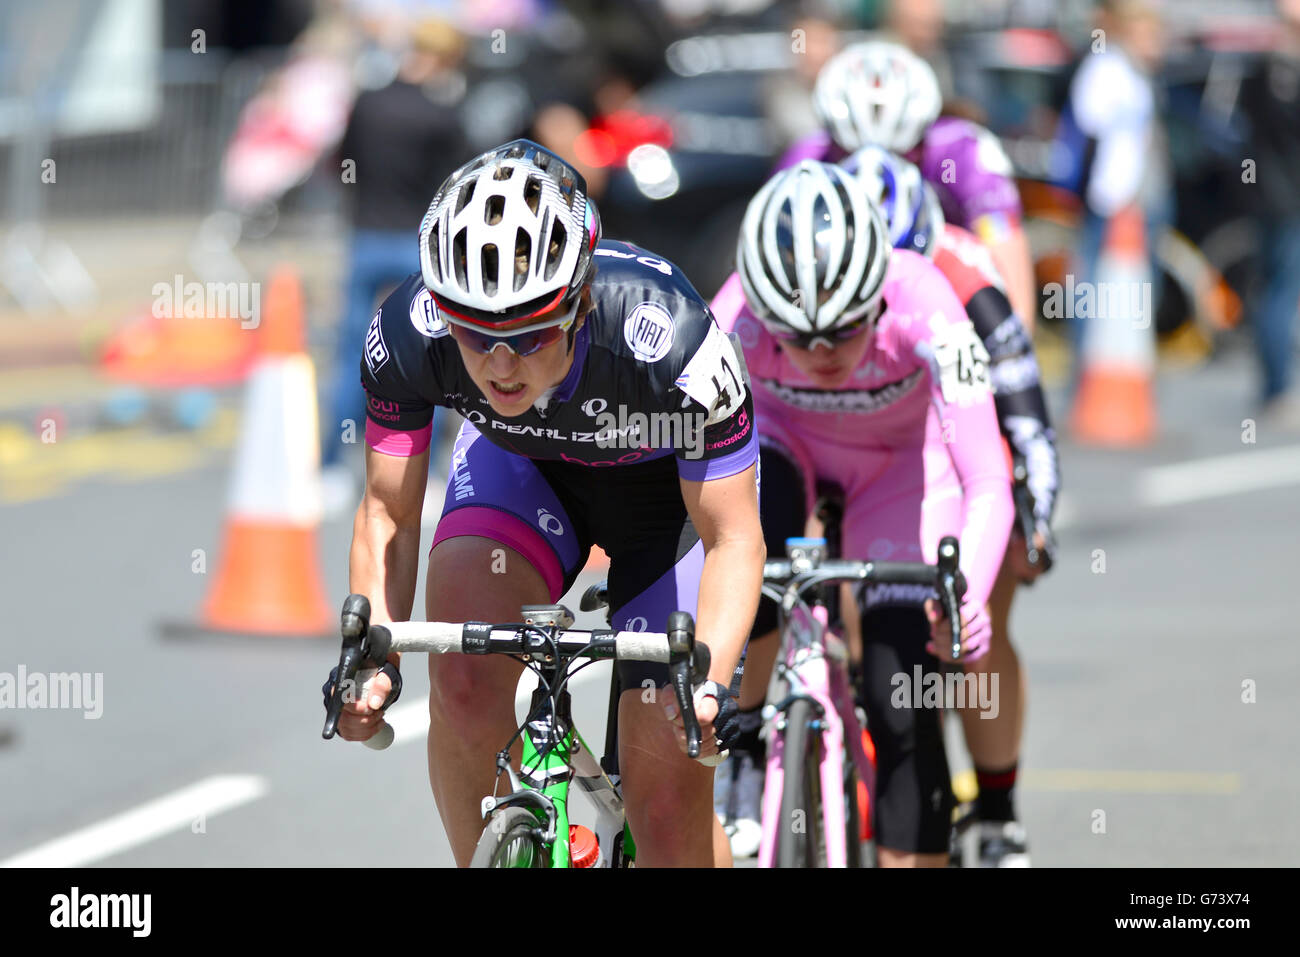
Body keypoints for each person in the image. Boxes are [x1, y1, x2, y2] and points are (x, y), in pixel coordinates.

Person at [327, 140, 765, 867]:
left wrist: (710, 687)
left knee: (663, 791)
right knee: (462, 681)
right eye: (476, 334)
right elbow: (387, 514)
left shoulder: (672, 340)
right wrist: (371, 655)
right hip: (526, 476)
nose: (501, 365)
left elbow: (733, 540)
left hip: (669, 511)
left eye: (530, 334)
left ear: (579, 302)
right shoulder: (407, 331)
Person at [710, 160, 1014, 866]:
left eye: (843, 332)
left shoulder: (928, 303)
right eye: (796, 336)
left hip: (902, 473)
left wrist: (965, 590)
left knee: (902, 700)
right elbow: (679, 460)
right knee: (745, 571)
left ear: (877, 297)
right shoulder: (736, 313)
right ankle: (746, 736)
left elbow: (987, 478)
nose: (820, 354)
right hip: (782, 444)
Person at [844, 145, 1061, 865]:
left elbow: (1023, 413)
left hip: (957, 438)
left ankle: (994, 806)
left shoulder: (962, 273)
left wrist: (1035, 511)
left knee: (982, 620)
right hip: (855, 438)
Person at [779, 40, 1040, 335]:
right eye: (849, 152)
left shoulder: (964, 151)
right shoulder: (806, 159)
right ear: (831, 138)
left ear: (923, 133)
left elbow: (1003, 241)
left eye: (901, 154)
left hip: (948, 290)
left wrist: (1015, 342)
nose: (875, 170)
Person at [320, 18, 470, 513]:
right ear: (444, 59)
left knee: (350, 355)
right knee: (432, 356)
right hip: (417, 243)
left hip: (365, 232)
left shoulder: (369, 101)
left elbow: (340, 159)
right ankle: (426, 474)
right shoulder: (441, 115)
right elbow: (456, 187)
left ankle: (330, 468)